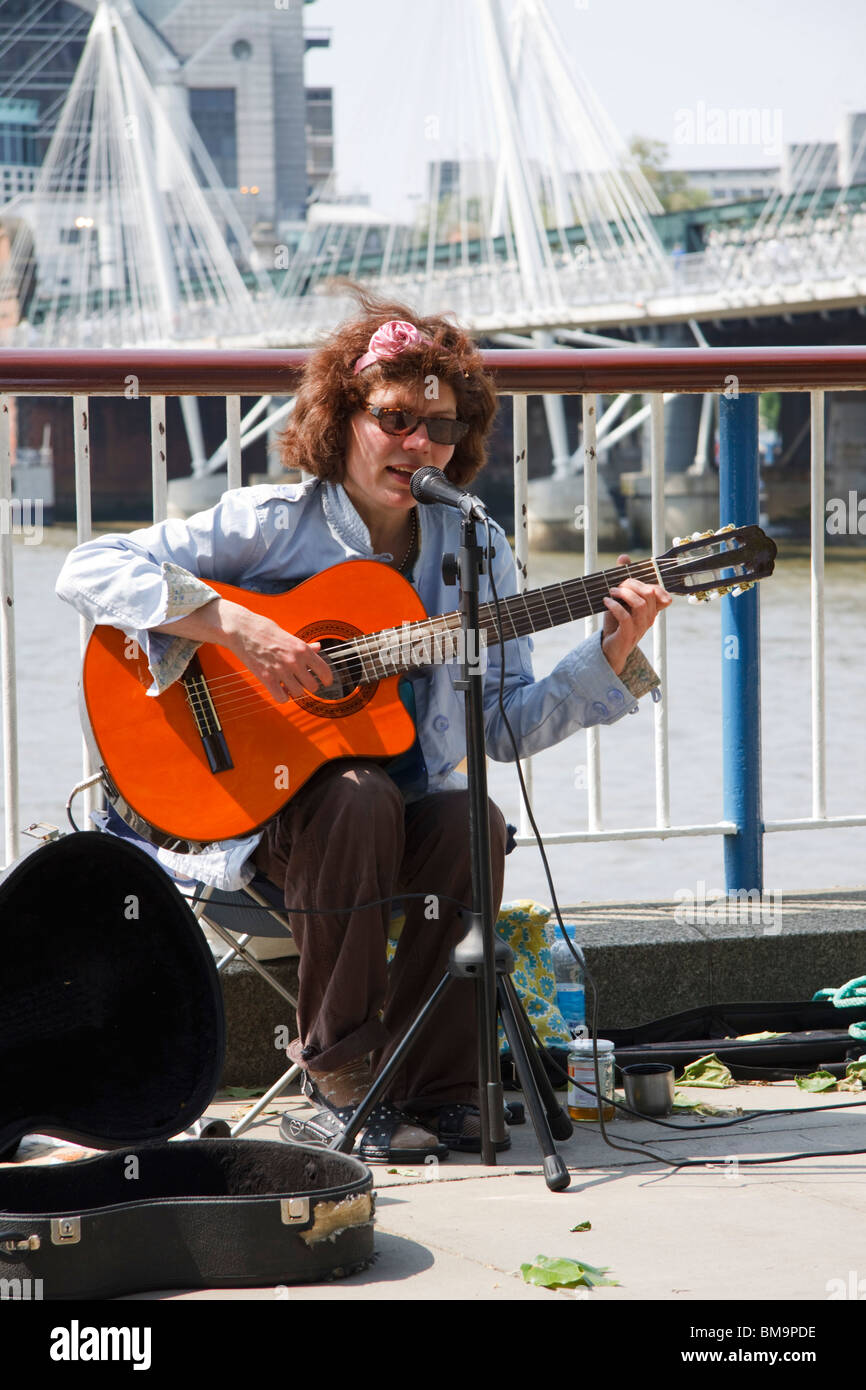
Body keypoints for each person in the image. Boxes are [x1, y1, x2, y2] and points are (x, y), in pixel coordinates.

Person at [56, 292, 671, 1162]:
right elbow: (92, 565)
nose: (419, 444)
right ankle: (339, 1075)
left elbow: (500, 726)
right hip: (252, 818)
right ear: (342, 419)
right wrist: (240, 628)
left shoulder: (476, 545)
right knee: (357, 793)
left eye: (442, 429)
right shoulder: (272, 524)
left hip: (390, 831)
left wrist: (610, 655)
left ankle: (440, 1089)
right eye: (395, 418)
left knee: (474, 820)